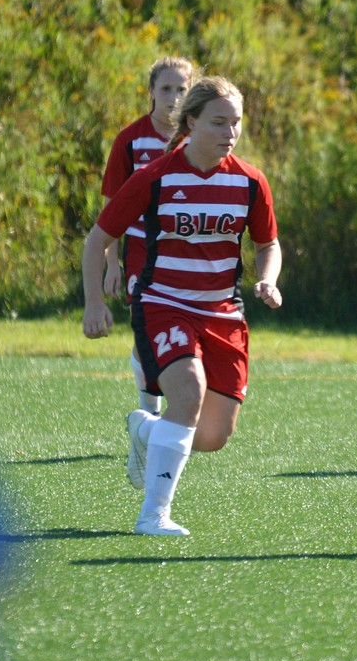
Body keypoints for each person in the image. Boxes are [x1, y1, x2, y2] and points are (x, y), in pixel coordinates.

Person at [82, 76, 282, 537]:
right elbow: (97, 240)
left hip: (222, 314)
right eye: (218, 122)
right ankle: (153, 516)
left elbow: (268, 243)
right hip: (163, 305)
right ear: (191, 122)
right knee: (188, 394)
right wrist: (94, 303)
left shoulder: (250, 181)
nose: (230, 132)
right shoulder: (155, 177)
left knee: (211, 437)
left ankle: (145, 430)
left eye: (236, 122)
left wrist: (268, 279)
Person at [100, 55, 196, 414]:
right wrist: (112, 262)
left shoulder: (198, 138)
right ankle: (149, 412)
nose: (174, 97)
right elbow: (111, 210)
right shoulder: (130, 140)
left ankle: (182, 403)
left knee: (184, 326)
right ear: (151, 92)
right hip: (142, 248)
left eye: (181, 89)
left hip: (187, 250)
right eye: (166, 89)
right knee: (144, 325)